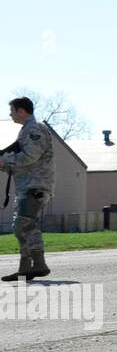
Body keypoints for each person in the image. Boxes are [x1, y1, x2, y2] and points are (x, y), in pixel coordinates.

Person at [2, 97, 54, 281]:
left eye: (12, 110)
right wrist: (5, 165)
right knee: (19, 226)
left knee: (23, 224)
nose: (10, 114)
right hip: (26, 186)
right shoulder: (26, 130)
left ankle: (38, 264)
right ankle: (25, 268)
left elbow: (31, 156)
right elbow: (22, 161)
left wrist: (5, 160)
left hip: (36, 185)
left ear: (22, 111)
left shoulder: (35, 129)